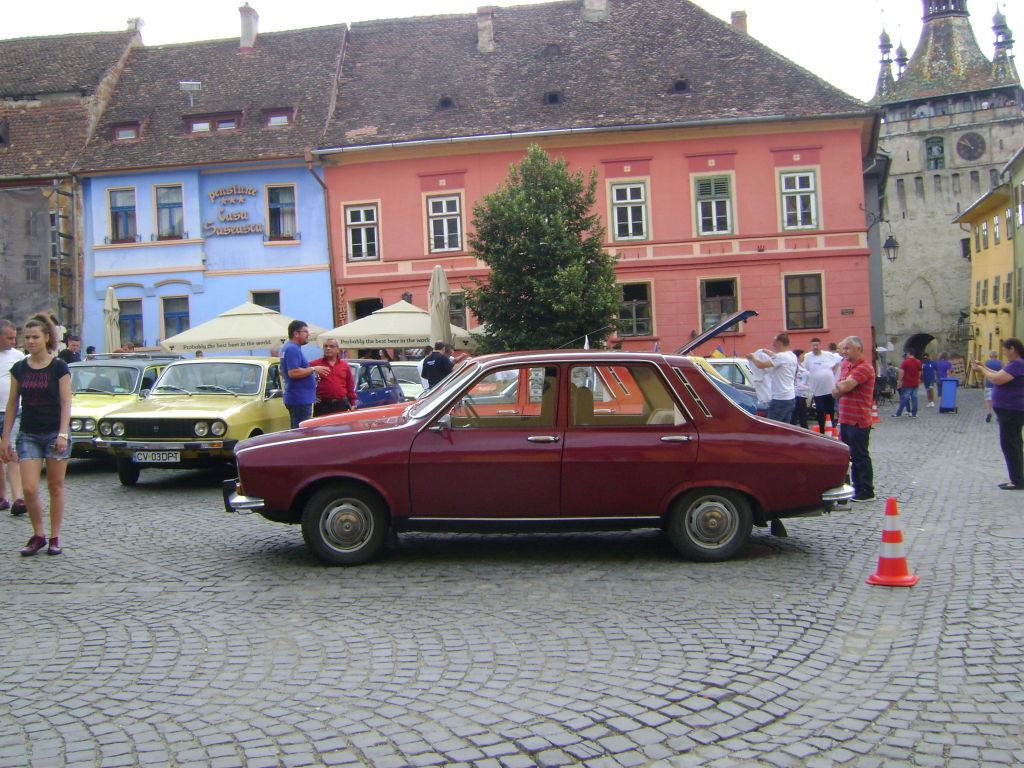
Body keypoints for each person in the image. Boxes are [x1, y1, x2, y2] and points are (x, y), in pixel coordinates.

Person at [1, 313, 72, 555]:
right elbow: (12, 405)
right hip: (29, 433)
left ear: (46, 338)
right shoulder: (19, 368)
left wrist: (63, 433)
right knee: (30, 488)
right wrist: (5, 438)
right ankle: (38, 533)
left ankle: (54, 536)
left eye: (35, 337)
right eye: (27, 337)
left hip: (55, 432)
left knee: (55, 486)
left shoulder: (59, 367)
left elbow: (66, 402)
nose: (30, 341)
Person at [972, 338, 1024, 490]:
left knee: (1009, 444)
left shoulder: (1017, 364)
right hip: (1011, 410)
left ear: (1012, 349)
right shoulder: (1017, 365)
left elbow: (996, 379)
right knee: (1014, 443)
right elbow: (998, 373)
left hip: (1011, 410)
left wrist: (982, 370)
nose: (1005, 353)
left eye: (1006, 350)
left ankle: (1017, 480)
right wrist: (984, 366)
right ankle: (1016, 478)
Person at [833, 336, 876, 502]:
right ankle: (854, 487)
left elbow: (844, 386)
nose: (844, 352)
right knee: (848, 455)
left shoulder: (865, 368)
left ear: (859, 349)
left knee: (860, 455)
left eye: (848, 348)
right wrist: (841, 387)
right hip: (845, 418)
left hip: (859, 419)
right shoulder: (845, 365)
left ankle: (866, 490)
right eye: (843, 349)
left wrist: (842, 387)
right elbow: (836, 391)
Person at [279, 320, 329, 429]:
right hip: (299, 399)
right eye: (305, 332)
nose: (308, 335)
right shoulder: (292, 348)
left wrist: (310, 376)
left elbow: (281, 371)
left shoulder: (288, 348)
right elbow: (293, 372)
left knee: (298, 430)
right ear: (296, 334)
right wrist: (313, 369)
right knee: (301, 432)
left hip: (297, 397)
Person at [0, 320, 26, 516]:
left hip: (13, 411)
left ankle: (18, 497)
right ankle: (2, 497)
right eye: (9, 337)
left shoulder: (18, 357)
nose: (13, 341)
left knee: (12, 452)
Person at [746, 332, 798, 423]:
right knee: (785, 428)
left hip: (780, 400)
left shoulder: (781, 357)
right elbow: (779, 359)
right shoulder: (792, 356)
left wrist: (752, 357)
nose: (772, 345)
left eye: (774, 343)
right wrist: (769, 353)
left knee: (772, 427)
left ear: (779, 343)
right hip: (790, 398)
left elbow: (760, 365)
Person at [803, 337, 842, 433]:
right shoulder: (808, 357)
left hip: (830, 389)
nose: (815, 347)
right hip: (817, 390)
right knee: (821, 411)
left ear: (820, 345)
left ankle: (831, 429)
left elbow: (838, 361)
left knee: (830, 411)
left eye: (817, 345)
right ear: (811, 346)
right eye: (813, 345)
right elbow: (803, 368)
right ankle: (822, 430)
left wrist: (833, 373)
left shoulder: (828, 355)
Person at [310, 338, 356, 416]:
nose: (328, 348)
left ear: (338, 350)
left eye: (331, 346)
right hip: (322, 405)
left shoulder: (344, 366)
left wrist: (353, 403)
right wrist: (311, 395)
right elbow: (303, 380)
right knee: (321, 428)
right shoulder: (314, 364)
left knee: (342, 427)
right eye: (326, 346)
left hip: (341, 404)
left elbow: (350, 386)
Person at [893, 351, 922, 417]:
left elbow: (901, 372)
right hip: (915, 383)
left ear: (908, 353)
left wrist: (899, 381)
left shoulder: (906, 362)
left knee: (904, 398)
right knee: (914, 398)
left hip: (907, 383)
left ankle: (898, 413)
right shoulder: (918, 361)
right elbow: (920, 371)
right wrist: (918, 378)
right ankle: (914, 413)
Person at [790, 349, 810, 429]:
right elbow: (796, 381)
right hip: (797, 394)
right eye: (802, 355)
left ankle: (804, 430)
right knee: (798, 415)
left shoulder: (801, 366)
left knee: (803, 414)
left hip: (803, 394)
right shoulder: (795, 367)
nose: (804, 357)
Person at [982, 350, 1003, 423]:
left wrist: (982, 382)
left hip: (989, 384)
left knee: (988, 400)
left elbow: (983, 372)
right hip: (998, 384)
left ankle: (988, 413)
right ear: (996, 356)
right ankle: (998, 416)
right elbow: (1003, 373)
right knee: (998, 401)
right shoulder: (1000, 363)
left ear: (990, 356)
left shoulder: (987, 363)